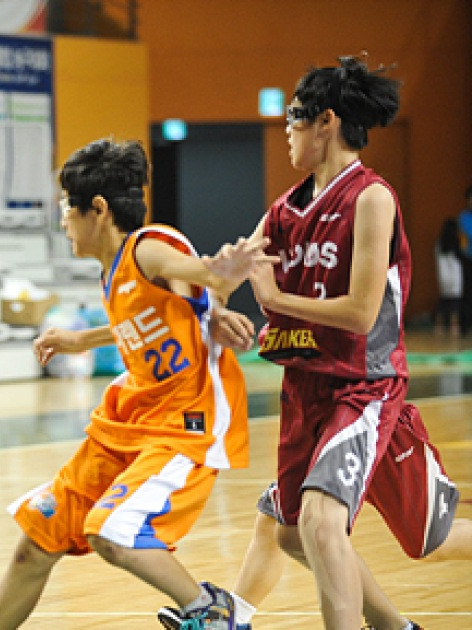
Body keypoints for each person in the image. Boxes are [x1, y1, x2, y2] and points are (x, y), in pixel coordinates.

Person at [171, 56, 463, 630]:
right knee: (297, 528)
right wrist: (214, 306)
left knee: (339, 525)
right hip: (305, 392)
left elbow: (359, 313)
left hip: (365, 390)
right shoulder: (284, 209)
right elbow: (228, 273)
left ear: (325, 122)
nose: (285, 133)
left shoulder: (372, 198)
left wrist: (277, 301)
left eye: (292, 121)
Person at [0, 139, 269, 630]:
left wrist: (217, 277)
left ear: (96, 209)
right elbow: (149, 315)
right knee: (37, 542)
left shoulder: (148, 246)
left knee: (112, 532)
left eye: (65, 211)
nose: (62, 223)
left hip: (182, 424)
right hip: (127, 420)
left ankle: (212, 613)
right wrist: (81, 340)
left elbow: (191, 275)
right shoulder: (112, 271)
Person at [434, 218, 463, 337]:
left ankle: (439, 325)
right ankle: (454, 326)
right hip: (455, 276)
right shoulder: (456, 244)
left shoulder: (439, 245)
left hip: (443, 277)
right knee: (455, 302)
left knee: (444, 301)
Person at [457, 185, 472, 332]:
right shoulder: (464, 217)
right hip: (468, 260)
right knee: (467, 292)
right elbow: (464, 239)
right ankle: (464, 325)